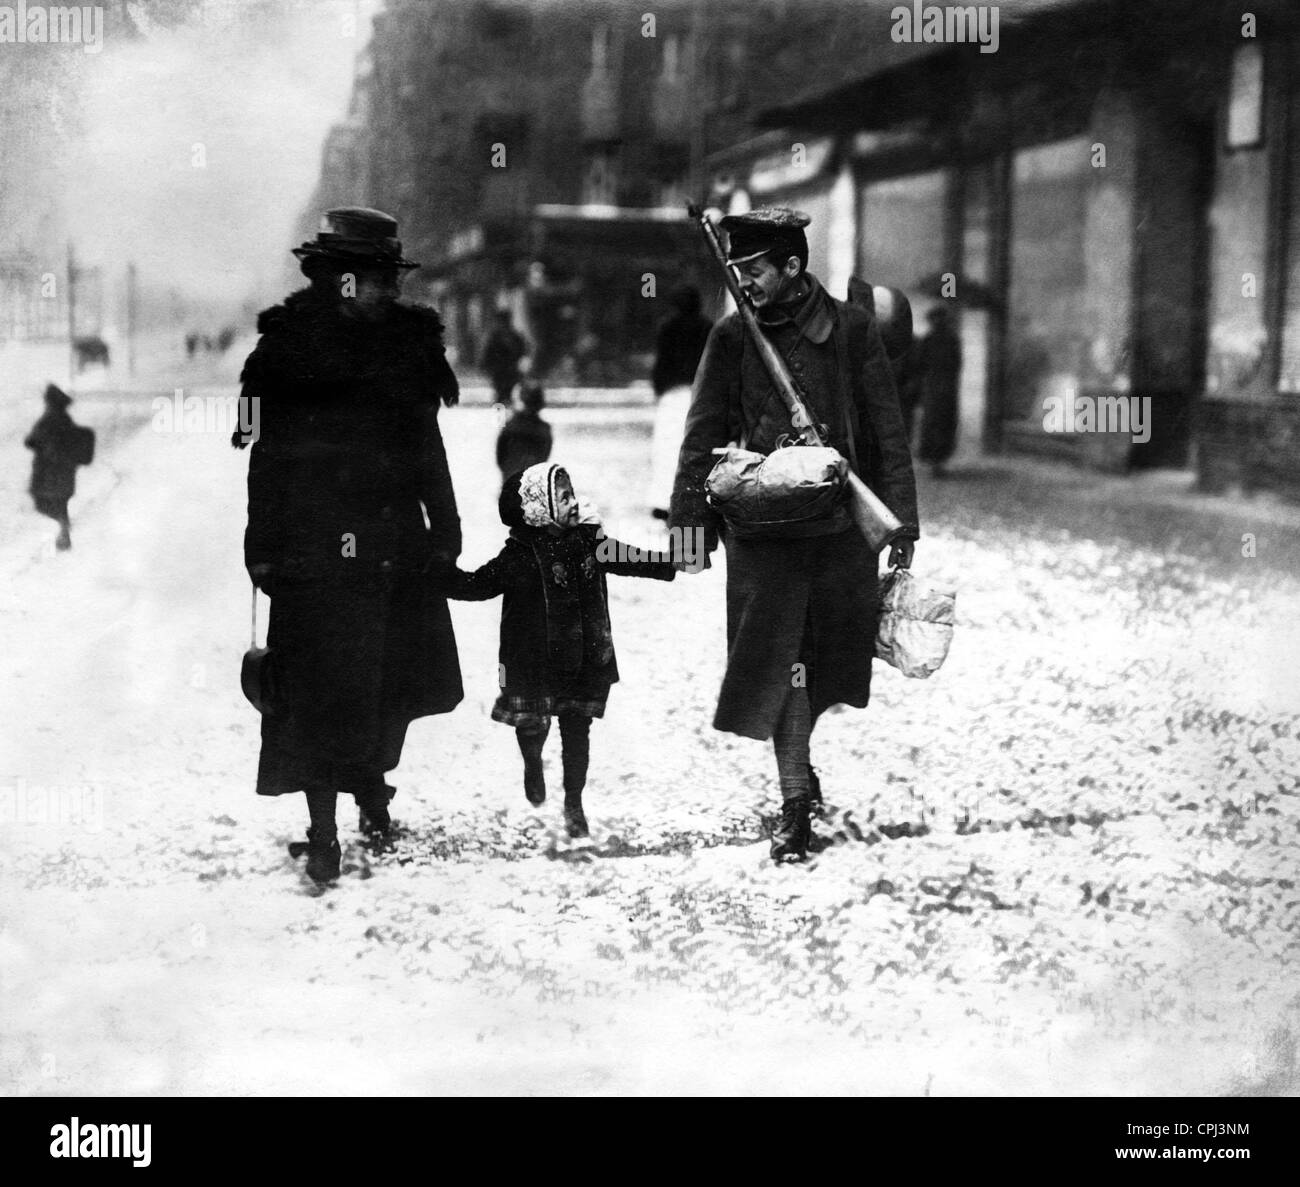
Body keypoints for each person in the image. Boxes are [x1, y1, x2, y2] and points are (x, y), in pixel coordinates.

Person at [670, 207, 920, 864]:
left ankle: (799, 767)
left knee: (824, 659)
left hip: (839, 533)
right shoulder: (731, 337)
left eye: (755, 268)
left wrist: (902, 524)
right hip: (763, 535)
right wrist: (690, 529)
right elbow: (700, 433)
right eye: (739, 269)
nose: (744, 280)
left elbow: (886, 431)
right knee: (779, 666)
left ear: (792, 265)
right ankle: (794, 802)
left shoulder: (852, 332)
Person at [233, 206, 464, 885]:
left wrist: (445, 530)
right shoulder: (285, 348)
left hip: (387, 546)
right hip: (314, 552)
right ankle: (325, 829)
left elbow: (429, 446)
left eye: (392, 278)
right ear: (342, 281)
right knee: (317, 692)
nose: (391, 291)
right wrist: (261, 544)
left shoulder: (407, 345)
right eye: (380, 279)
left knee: (387, 680)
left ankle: (368, 786)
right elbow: (263, 455)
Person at [444, 463, 674, 839]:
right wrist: (436, 574)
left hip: (584, 657)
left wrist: (682, 556)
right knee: (532, 724)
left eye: (572, 494)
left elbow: (632, 557)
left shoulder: (589, 542)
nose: (573, 502)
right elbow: (478, 584)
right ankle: (532, 762)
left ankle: (574, 803)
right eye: (563, 497)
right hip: (532, 662)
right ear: (539, 510)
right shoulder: (520, 554)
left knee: (576, 732)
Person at [647, 284, 712, 519]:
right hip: (699, 393)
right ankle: (694, 500)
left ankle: (664, 500)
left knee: (667, 447)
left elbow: (662, 363)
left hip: (673, 393)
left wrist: (658, 388)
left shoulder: (668, 327)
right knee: (693, 447)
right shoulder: (708, 328)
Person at [24, 383, 92, 551]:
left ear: (50, 402)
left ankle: (63, 530)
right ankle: (64, 536)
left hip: (47, 474)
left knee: (43, 503)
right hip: (65, 474)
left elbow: (31, 440)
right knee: (60, 504)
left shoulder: (47, 420)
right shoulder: (64, 419)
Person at [916, 305, 962, 477]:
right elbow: (920, 364)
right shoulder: (929, 340)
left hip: (943, 388)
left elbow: (956, 364)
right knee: (933, 424)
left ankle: (939, 460)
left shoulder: (951, 340)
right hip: (935, 387)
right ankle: (935, 461)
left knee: (944, 424)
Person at [495, 378, 552, 483]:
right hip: (534, 481)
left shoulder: (511, 427)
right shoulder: (544, 429)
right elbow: (544, 456)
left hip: (511, 479)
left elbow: (500, 457)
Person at [480, 309, 529, 407]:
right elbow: (487, 353)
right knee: (501, 394)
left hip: (510, 371)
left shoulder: (514, 336)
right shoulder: (496, 337)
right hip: (500, 371)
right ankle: (501, 417)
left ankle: (506, 417)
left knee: (508, 394)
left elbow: (522, 351)